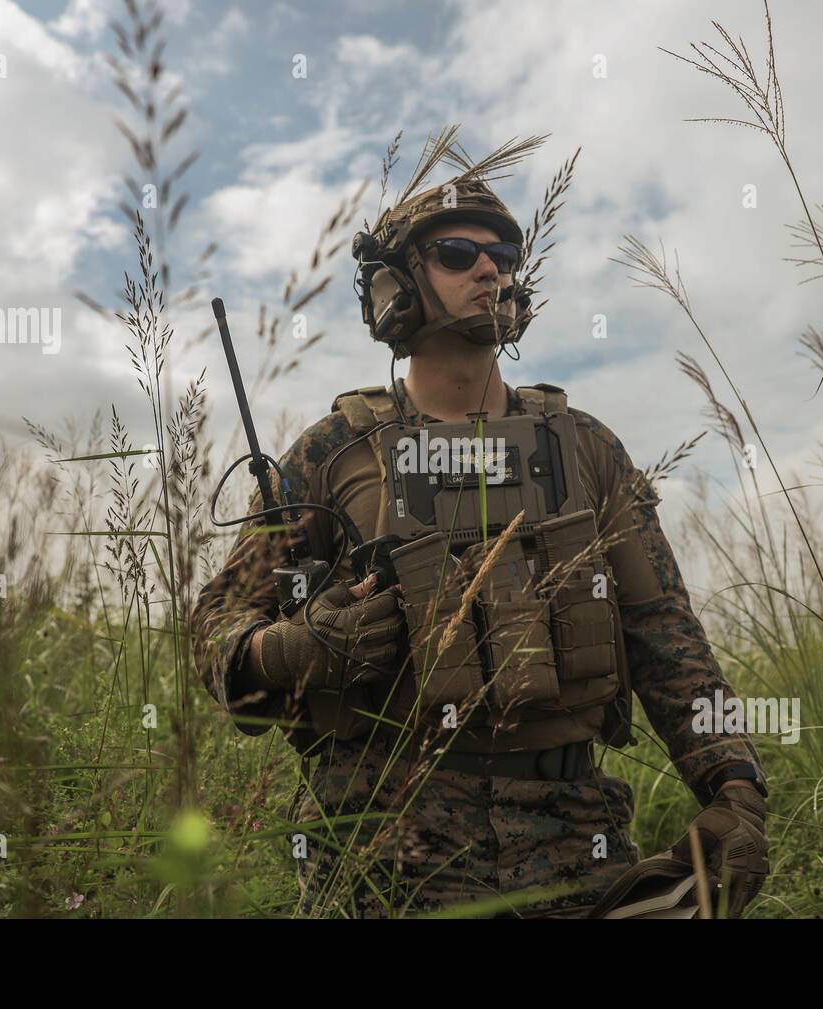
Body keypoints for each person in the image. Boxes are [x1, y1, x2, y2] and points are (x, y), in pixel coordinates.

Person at [190, 169, 769, 918]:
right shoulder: (332, 456)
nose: (491, 268)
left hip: (576, 845)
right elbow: (214, 626)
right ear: (396, 285)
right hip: (384, 858)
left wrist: (736, 788)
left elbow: (668, 639)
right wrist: (293, 649)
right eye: (459, 253)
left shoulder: (588, 452)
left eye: (504, 254)